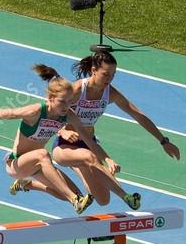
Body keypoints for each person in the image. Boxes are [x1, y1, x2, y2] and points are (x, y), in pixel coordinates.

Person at [52, 51, 179, 208]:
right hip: (64, 145)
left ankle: (79, 165)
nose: (109, 79)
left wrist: (163, 141)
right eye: (105, 74)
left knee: (103, 200)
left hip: (89, 144)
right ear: (94, 70)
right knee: (89, 157)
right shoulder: (77, 89)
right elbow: (51, 107)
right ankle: (127, 197)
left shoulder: (110, 93)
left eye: (113, 75)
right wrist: (62, 131)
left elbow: (138, 115)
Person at [0, 66, 108, 214]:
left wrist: (107, 160)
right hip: (16, 163)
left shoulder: (68, 114)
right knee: (43, 154)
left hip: (38, 167)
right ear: (50, 98)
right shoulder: (34, 111)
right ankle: (75, 200)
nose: (66, 106)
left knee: (68, 192)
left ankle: (27, 185)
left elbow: (89, 141)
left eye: (70, 101)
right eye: (62, 101)